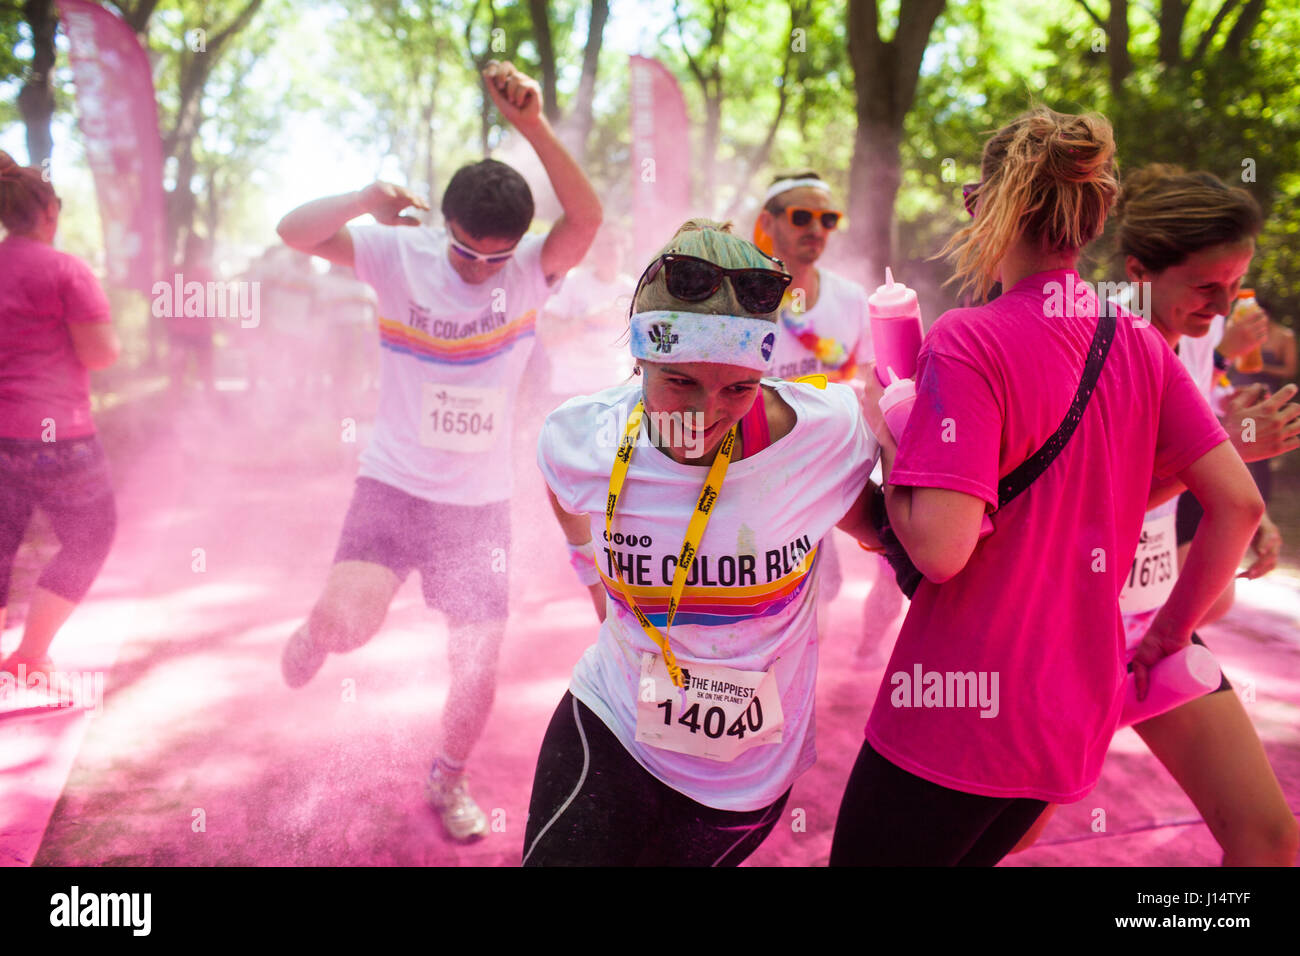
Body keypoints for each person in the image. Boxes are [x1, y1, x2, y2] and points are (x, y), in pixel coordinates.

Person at [829, 108, 1264, 866]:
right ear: (1090, 222)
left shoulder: (968, 338)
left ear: (987, 207)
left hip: (953, 719)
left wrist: (891, 434)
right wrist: (1170, 632)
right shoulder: (1138, 343)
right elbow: (1240, 504)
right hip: (1067, 721)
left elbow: (939, 549)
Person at [274, 61, 601, 841]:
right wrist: (362, 198)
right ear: (443, 228)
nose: (483, 270)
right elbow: (291, 232)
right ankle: (320, 631)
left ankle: (447, 778)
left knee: (479, 665)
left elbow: (587, 221)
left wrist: (533, 125)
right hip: (392, 486)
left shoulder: (529, 272)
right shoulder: (398, 254)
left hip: (479, 506)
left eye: (498, 257)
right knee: (352, 624)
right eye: (468, 254)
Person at [523, 219, 883, 866]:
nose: (707, 412)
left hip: (744, 776)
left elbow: (890, 537)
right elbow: (565, 500)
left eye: (738, 388)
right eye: (680, 382)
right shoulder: (579, 440)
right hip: (613, 721)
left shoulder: (822, 437)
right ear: (638, 360)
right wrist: (597, 588)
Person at [1010, 165, 1300, 865]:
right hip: (1064, 639)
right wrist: (1228, 457)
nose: (1222, 309)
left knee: (1270, 843)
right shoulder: (1080, 348)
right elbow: (1080, 516)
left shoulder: (1194, 342)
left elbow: (1195, 472)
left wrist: (1244, 511)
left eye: (1234, 288)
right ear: (1138, 271)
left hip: (1156, 634)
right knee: (1002, 841)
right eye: (1207, 288)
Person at [754, 170, 904, 666]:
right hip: (758, 475)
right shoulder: (747, 299)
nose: (815, 228)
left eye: (826, 219)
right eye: (800, 217)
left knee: (827, 582)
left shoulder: (849, 298)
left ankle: (799, 686)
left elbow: (867, 384)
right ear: (768, 224)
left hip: (830, 473)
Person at [0, 151, 120, 683]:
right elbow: (99, 354)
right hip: (59, 439)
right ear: (48, 211)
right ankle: (31, 655)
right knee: (92, 534)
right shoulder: (65, 269)